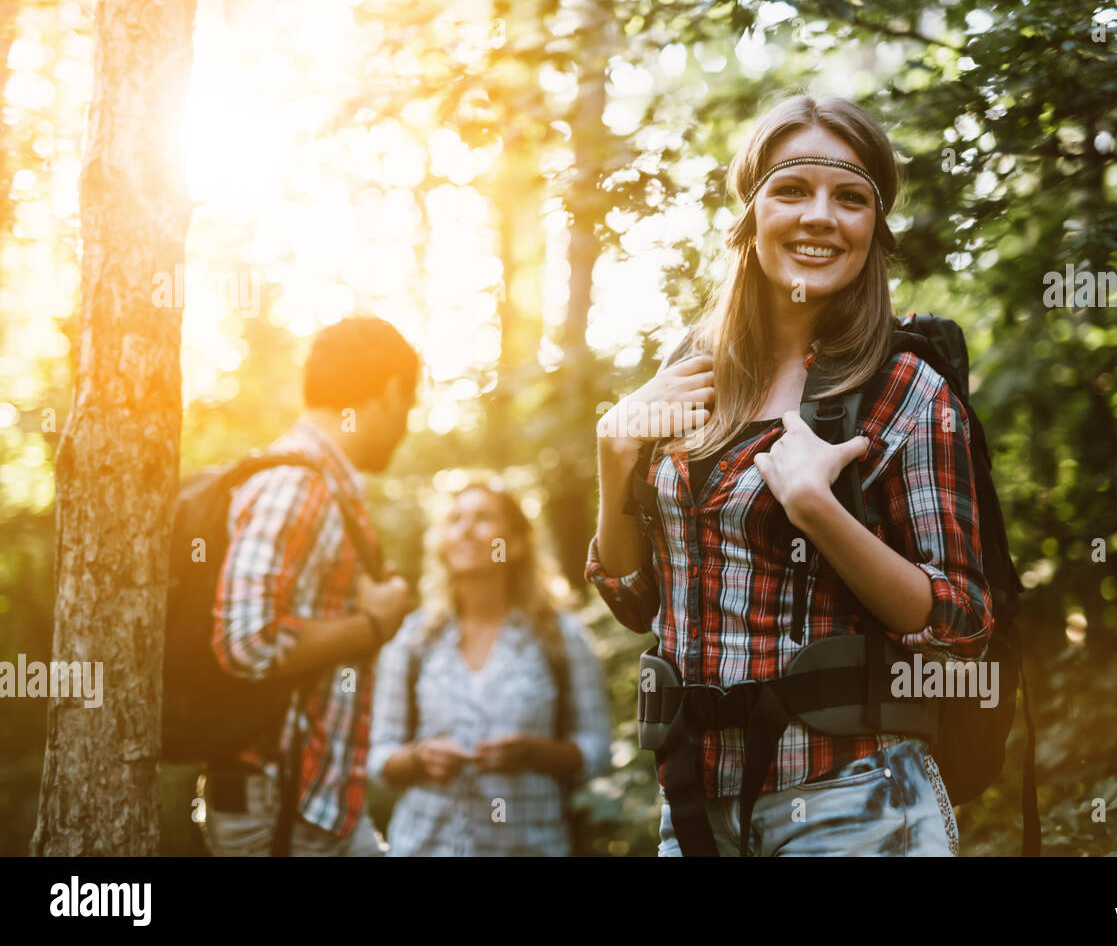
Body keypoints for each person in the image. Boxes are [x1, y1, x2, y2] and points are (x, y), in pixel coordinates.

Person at [586, 94, 993, 856]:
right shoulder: (691, 376)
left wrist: (819, 510)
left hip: (856, 804)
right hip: (696, 809)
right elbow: (636, 600)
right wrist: (614, 463)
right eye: (792, 189)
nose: (821, 216)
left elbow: (960, 622)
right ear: (750, 213)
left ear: (874, 230)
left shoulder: (907, 390)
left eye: (851, 198)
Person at [199, 315, 420, 856]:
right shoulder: (298, 485)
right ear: (390, 391)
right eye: (409, 404)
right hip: (278, 802)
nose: (406, 422)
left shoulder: (323, 483)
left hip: (315, 797)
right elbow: (246, 639)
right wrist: (374, 624)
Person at [368, 476, 612, 856]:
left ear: (513, 544)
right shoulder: (413, 639)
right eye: (455, 519)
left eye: (483, 518)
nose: (465, 529)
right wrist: (418, 758)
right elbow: (379, 755)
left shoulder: (562, 637)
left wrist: (535, 753)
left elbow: (597, 751)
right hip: (421, 846)